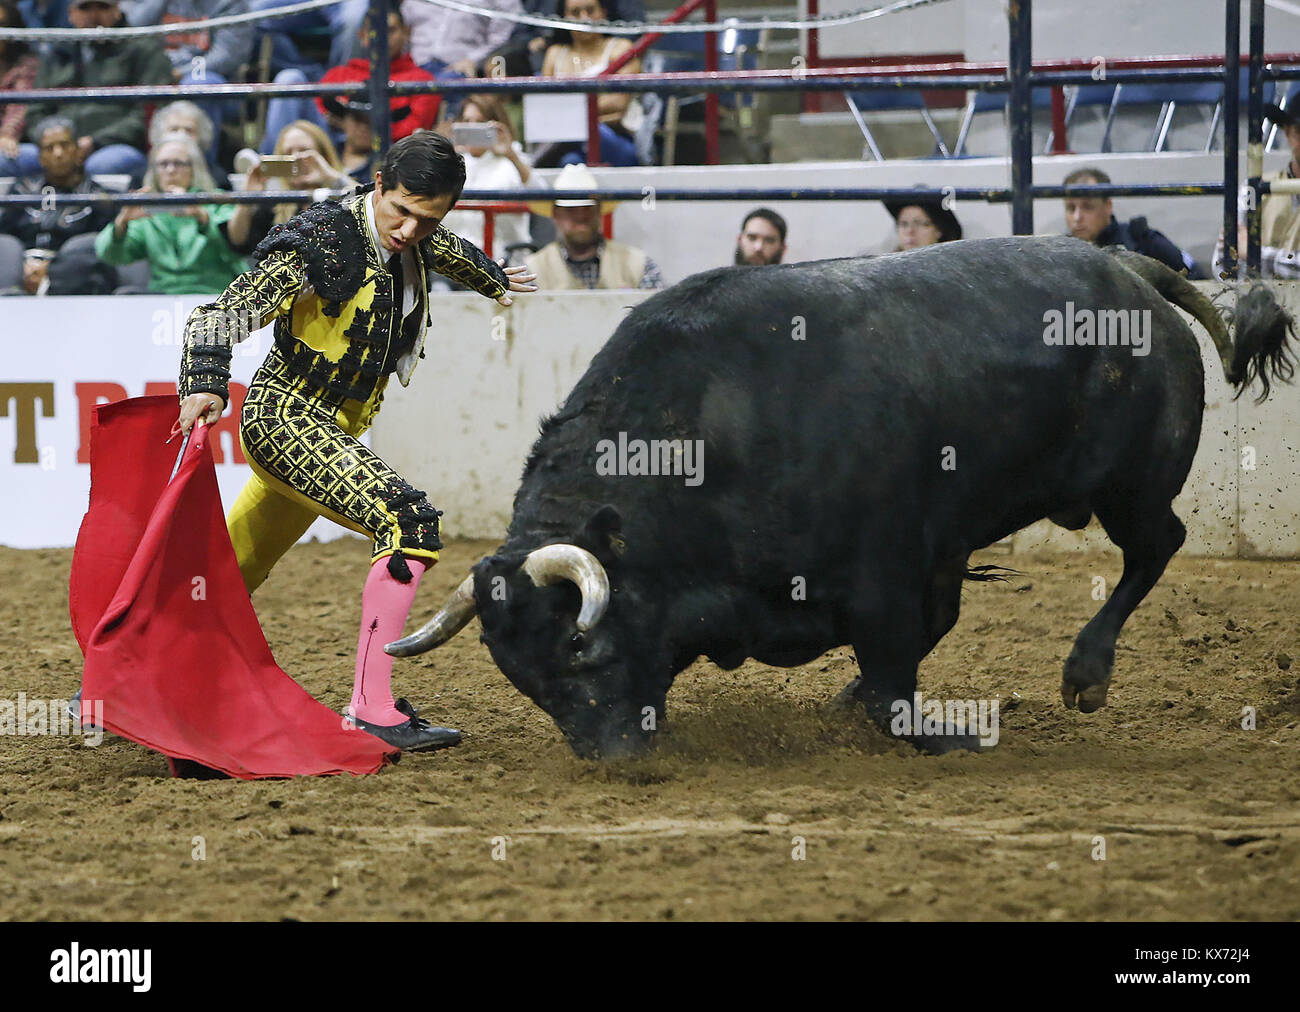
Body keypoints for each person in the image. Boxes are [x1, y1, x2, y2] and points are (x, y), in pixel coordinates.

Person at [172, 131, 537, 751]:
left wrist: (493, 277)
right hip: (284, 418)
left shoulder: (416, 231)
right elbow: (216, 316)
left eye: (427, 219)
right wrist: (203, 382)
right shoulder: (323, 240)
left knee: (225, 572)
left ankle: (122, 674)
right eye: (401, 211)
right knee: (407, 523)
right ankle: (372, 707)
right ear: (379, 186)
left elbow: (440, 247)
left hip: (327, 425)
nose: (409, 231)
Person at [22, 0, 173, 181]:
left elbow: (149, 115)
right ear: (71, 13)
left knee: (100, 166)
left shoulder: (143, 48)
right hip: (57, 145)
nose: (94, 16)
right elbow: (35, 111)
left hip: (116, 146)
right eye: (85, 8)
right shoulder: (57, 52)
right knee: (11, 160)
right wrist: (54, 142)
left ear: (117, 11)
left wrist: (95, 142)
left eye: (102, 7)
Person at [260, 7, 439, 155]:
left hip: (389, 151)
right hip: (330, 143)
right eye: (375, 31)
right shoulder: (339, 74)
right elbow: (321, 111)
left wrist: (360, 125)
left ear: (406, 33)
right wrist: (349, 126)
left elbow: (415, 127)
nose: (383, 38)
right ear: (362, 35)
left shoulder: (422, 80)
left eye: (390, 30)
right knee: (289, 78)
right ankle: (273, 169)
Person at [94, 131, 248, 293]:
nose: (170, 170)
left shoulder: (215, 200)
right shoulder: (147, 209)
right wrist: (122, 223)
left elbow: (237, 247)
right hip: (163, 300)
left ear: (194, 168)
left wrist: (201, 216)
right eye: (163, 164)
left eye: (178, 163)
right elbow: (110, 255)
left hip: (215, 294)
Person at [0, 116, 116, 294]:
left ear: (78, 151)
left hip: (73, 278)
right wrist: (21, 267)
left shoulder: (99, 197)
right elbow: (5, 236)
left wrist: (50, 270)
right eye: (49, 148)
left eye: (65, 145)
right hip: (21, 272)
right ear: (40, 157)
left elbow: (103, 250)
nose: (58, 153)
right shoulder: (22, 189)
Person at [121, 0, 254, 154]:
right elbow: (130, 31)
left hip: (211, 85)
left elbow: (227, 56)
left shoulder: (229, 3)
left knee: (200, 84)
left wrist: (180, 73)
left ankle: (201, 169)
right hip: (151, 78)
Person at [539, 0, 642, 168]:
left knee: (592, 131)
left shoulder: (621, 48)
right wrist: (595, 109)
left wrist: (566, 112)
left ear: (603, 12)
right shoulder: (555, 54)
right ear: (564, 17)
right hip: (567, 143)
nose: (584, 18)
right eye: (575, 12)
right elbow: (545, 108)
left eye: (590, 10)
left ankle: (533, 163)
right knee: (570, 162)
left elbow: (617, 103)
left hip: (615, 139)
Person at [225, 120, 354, 254]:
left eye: (304, 151)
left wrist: (331, 176)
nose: (295, 158)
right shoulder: (276, 204)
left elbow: (367, 202)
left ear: (323, 156)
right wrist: (247, 198)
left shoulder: (340, 192)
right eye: (288, 152)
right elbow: (238, 241)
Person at [525, 161, 661, 289]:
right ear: (556, 215)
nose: (581, 216)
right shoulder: (531, 271)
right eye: (571, 210)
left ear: (598, 212)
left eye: (587, 208)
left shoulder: (639, 266)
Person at [439, 94, 539, 261]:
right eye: (467, 121)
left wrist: (511, 155)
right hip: (452, 261)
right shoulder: (450, 161)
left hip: (504, 259)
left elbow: (542, 198)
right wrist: (442, 152)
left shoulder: (512, 160)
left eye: (480, 122)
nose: (472, 127)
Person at [1062, 166, 1204, 277]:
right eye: (1070, 208)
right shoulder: (1063, 253)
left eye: (1087, 207)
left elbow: (1195, 277)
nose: (1077, 217)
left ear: (1108, 206)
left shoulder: (1142, 240)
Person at [1213, 102, 1300, 279]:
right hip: (1259, 303)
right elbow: (1223, 264)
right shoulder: (1252, 189)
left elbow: (1235, 253)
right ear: (1287, 132)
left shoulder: (1254, 189)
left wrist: (1253, 253)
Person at [401, 0, 520, 80]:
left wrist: (473, 60)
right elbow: (401, 29)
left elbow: (503, 36)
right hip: (414, 65)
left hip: (459, 67)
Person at [0, 0, 39, 179]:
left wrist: (6, 135)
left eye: (2, 26)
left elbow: (19, 107)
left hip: (12, 142)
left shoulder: (25, 67)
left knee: (19, 156)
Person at [882, 196, 962, 252]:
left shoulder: (953, 268)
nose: (910, 231)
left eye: (919, 223)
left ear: (939, 230)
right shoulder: (886, 269)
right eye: (904, 224)